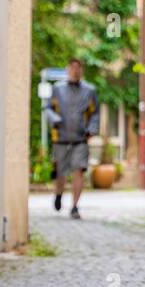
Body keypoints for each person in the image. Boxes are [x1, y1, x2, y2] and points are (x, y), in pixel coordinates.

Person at [46, 59, 99, 219]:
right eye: (72, 68)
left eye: (78, 68)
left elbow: (95, 113)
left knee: (78, 171)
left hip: (80, 139)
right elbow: (47, 108)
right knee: (60, 173)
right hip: (61, 138)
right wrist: (54, 120)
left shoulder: (89, 90)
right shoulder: (57, 89)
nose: (75, 71)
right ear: (67, 69)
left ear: (81, 70)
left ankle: (75, 207)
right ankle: (58, 194)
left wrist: (92, 129)